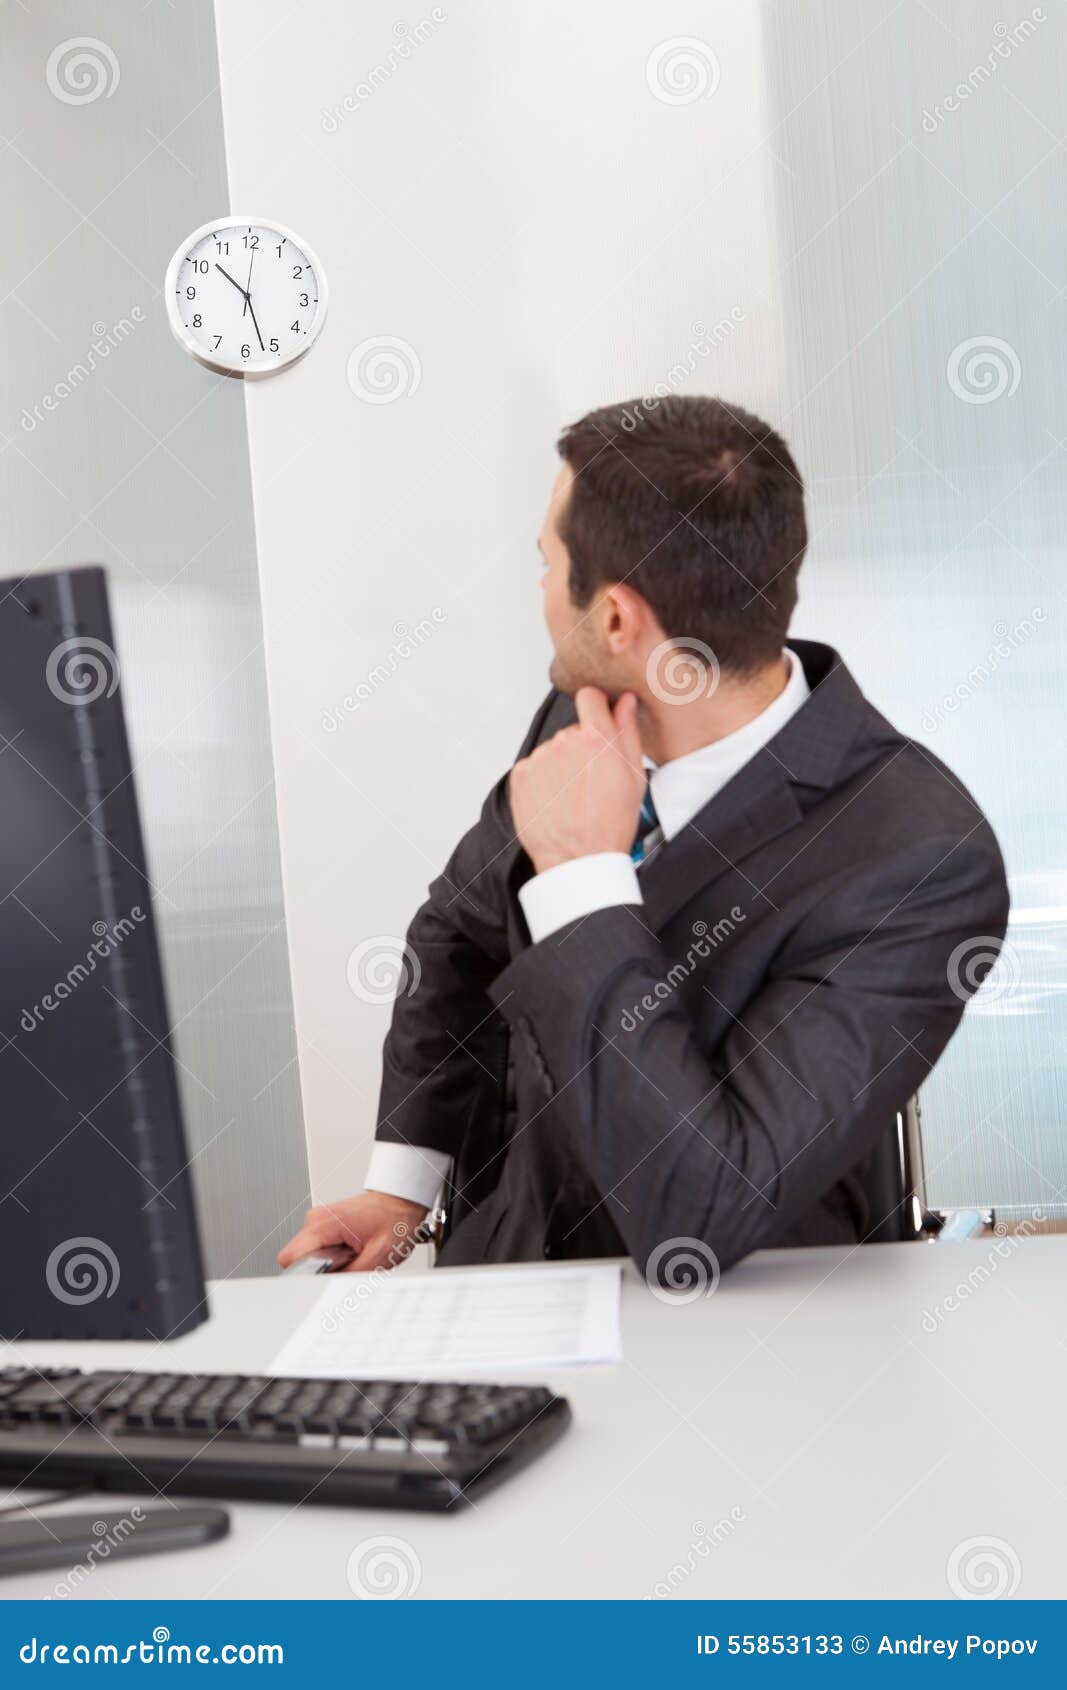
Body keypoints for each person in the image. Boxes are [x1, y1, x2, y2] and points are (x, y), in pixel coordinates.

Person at [279, 395, 1009, 1282]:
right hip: (509, 1288)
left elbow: (699, 1214)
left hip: (754, 1352)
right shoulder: (580, 715)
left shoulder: (921, 859)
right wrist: (404, 1187)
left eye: (545, 564)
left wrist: (584, 881)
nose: (542, 590)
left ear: (618, 620)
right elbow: (458, 933)